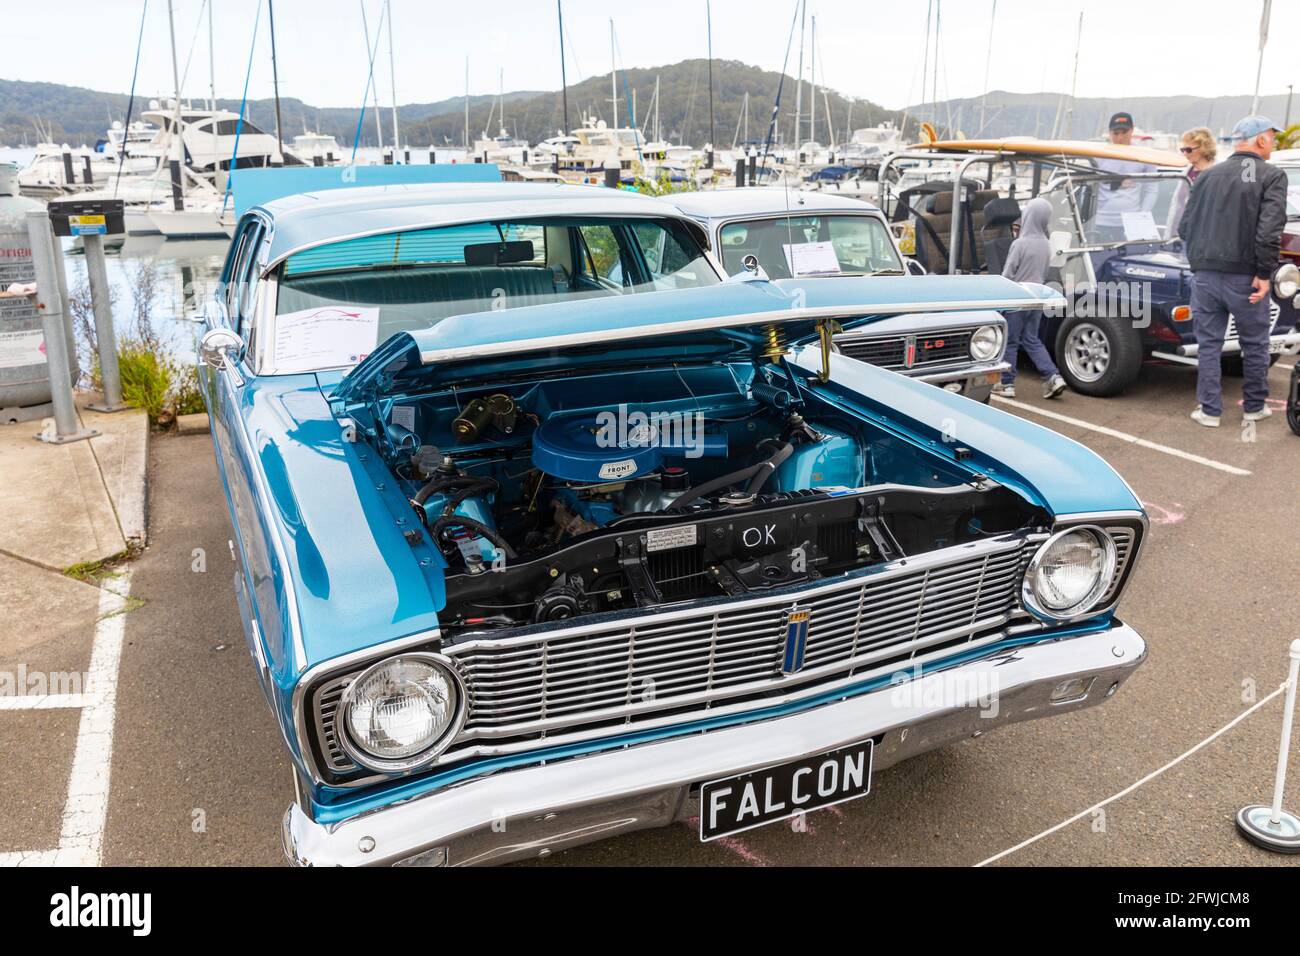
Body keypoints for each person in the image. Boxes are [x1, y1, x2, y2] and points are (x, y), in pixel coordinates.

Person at [1177, 115, 1288, 427]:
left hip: (1205, 276)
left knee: (1209, 344)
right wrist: (1264, 274)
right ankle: (1254, 407)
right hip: (1246, 278)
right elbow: (1269, 232)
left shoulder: (1206, 177)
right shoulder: (1271, 175)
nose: (1274, 143)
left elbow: (1184, 228)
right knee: (1255, 344)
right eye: (1272, 137)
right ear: (1261, 140)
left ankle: (1209, 410)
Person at [993, 197, 1067, 399]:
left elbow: (1008, 274)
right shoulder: (1046, 244)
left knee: (1010, 342)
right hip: (1037, 298)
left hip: (1018, 299)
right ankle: (1053, 376)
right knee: (1032, 339)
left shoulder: (1020, 243)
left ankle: (1007, 384)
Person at [1094, 112, 1157, 242]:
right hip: (1101, 221)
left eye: (1124, 132)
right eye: (1115, 133)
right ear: (1109, 132)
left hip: (1132, 221)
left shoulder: (1144, 155)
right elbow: (1089, 188)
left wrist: (1142, 216)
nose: (1120, 137)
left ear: (1132, 130)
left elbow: (1151, 188)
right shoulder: (1097, 155)